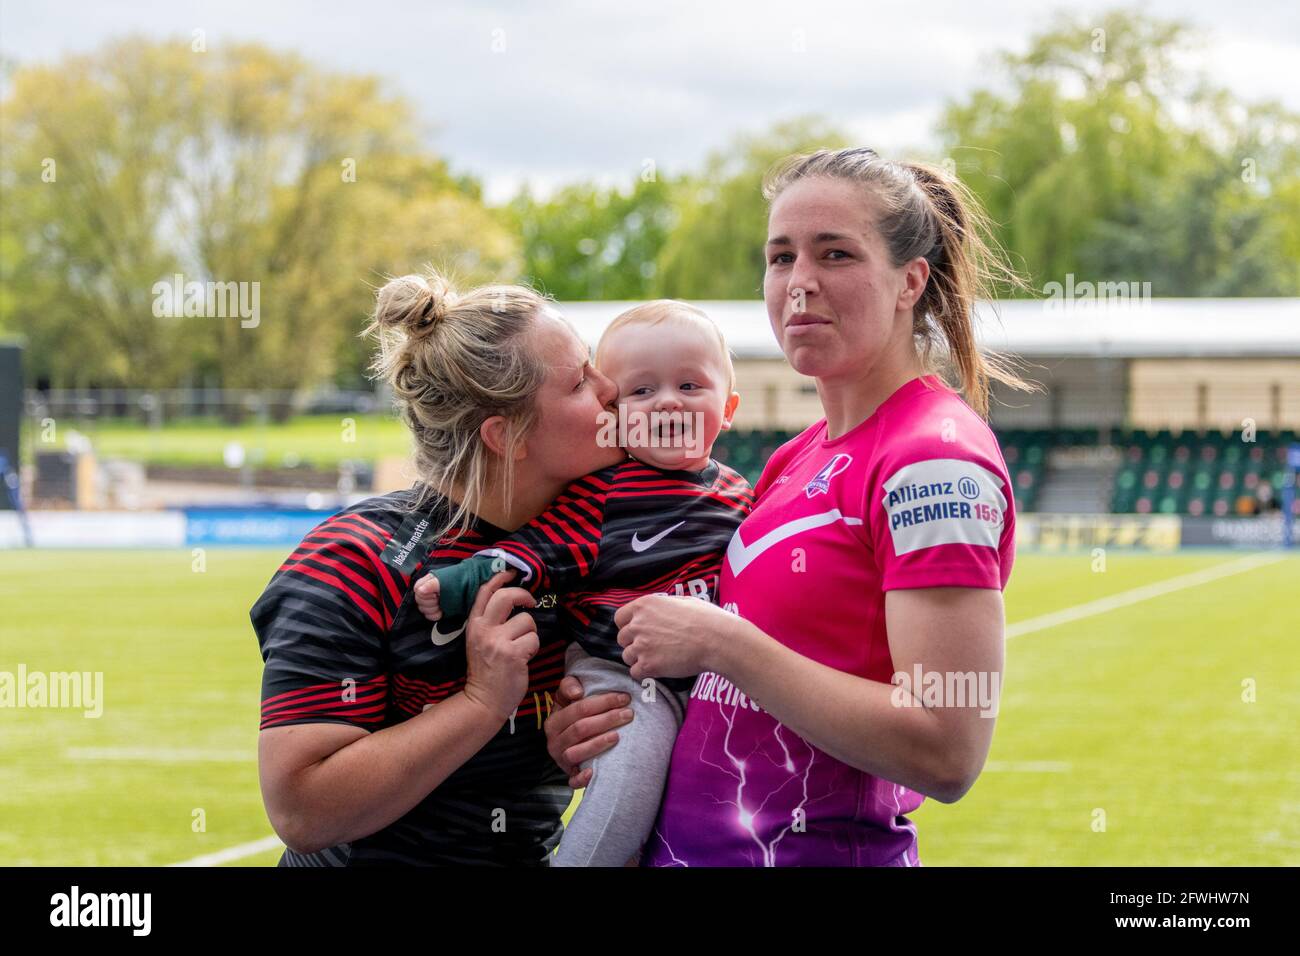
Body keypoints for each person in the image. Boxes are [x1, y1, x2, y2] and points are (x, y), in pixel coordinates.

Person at [545, 146, 1032, 866]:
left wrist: (720, 643)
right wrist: (596, 719)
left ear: (910, 281)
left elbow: (946, 749)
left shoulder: (934, 461)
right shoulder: (795, 456)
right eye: (781, 258)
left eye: (835, 255)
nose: (799, 283)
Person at [251, 270, 634, 865]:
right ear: (507, 436)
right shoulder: (353, 558)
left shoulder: (604, 536)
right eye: (580, 380)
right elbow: (301, 810)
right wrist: (481, 704)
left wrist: (587, 729)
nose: (611, 388)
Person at [413, 301, 752, 866]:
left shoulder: (743, 494)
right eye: (641, 392)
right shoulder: (603, 494)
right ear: (616, 415)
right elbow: (531, 553)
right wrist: (456, 585)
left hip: (710, 676)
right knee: (628, 779)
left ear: (729, 407)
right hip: (621, 674)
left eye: (690, 384)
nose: (668, 400)